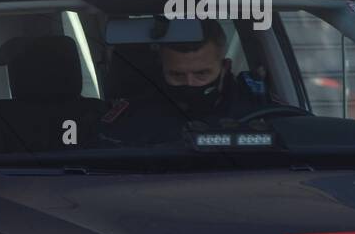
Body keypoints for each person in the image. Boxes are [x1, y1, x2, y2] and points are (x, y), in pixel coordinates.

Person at [101, 17, 270, 143]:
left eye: (202, 73)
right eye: (177, 75)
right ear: (161, 70)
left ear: (225, 68)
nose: (190, 83)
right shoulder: (134, 118)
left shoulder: (259, 109)